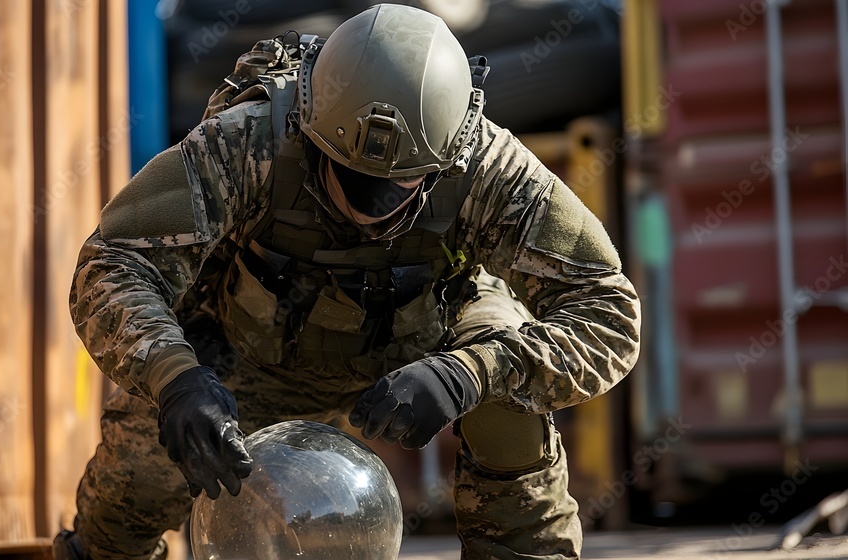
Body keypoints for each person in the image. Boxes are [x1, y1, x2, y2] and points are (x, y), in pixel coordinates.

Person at [54, 4, 641, 559]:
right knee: (141, 474)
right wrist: (176, 379)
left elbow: (609, 314)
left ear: (446, 159)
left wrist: (468, 375)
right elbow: (114, 262)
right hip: (254, 352)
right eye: (349, 175)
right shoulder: (248, 141)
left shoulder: (489, 169)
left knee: (508, 407)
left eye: (400, 184)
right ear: (312, 130)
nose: (370, 207)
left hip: (430, 338)